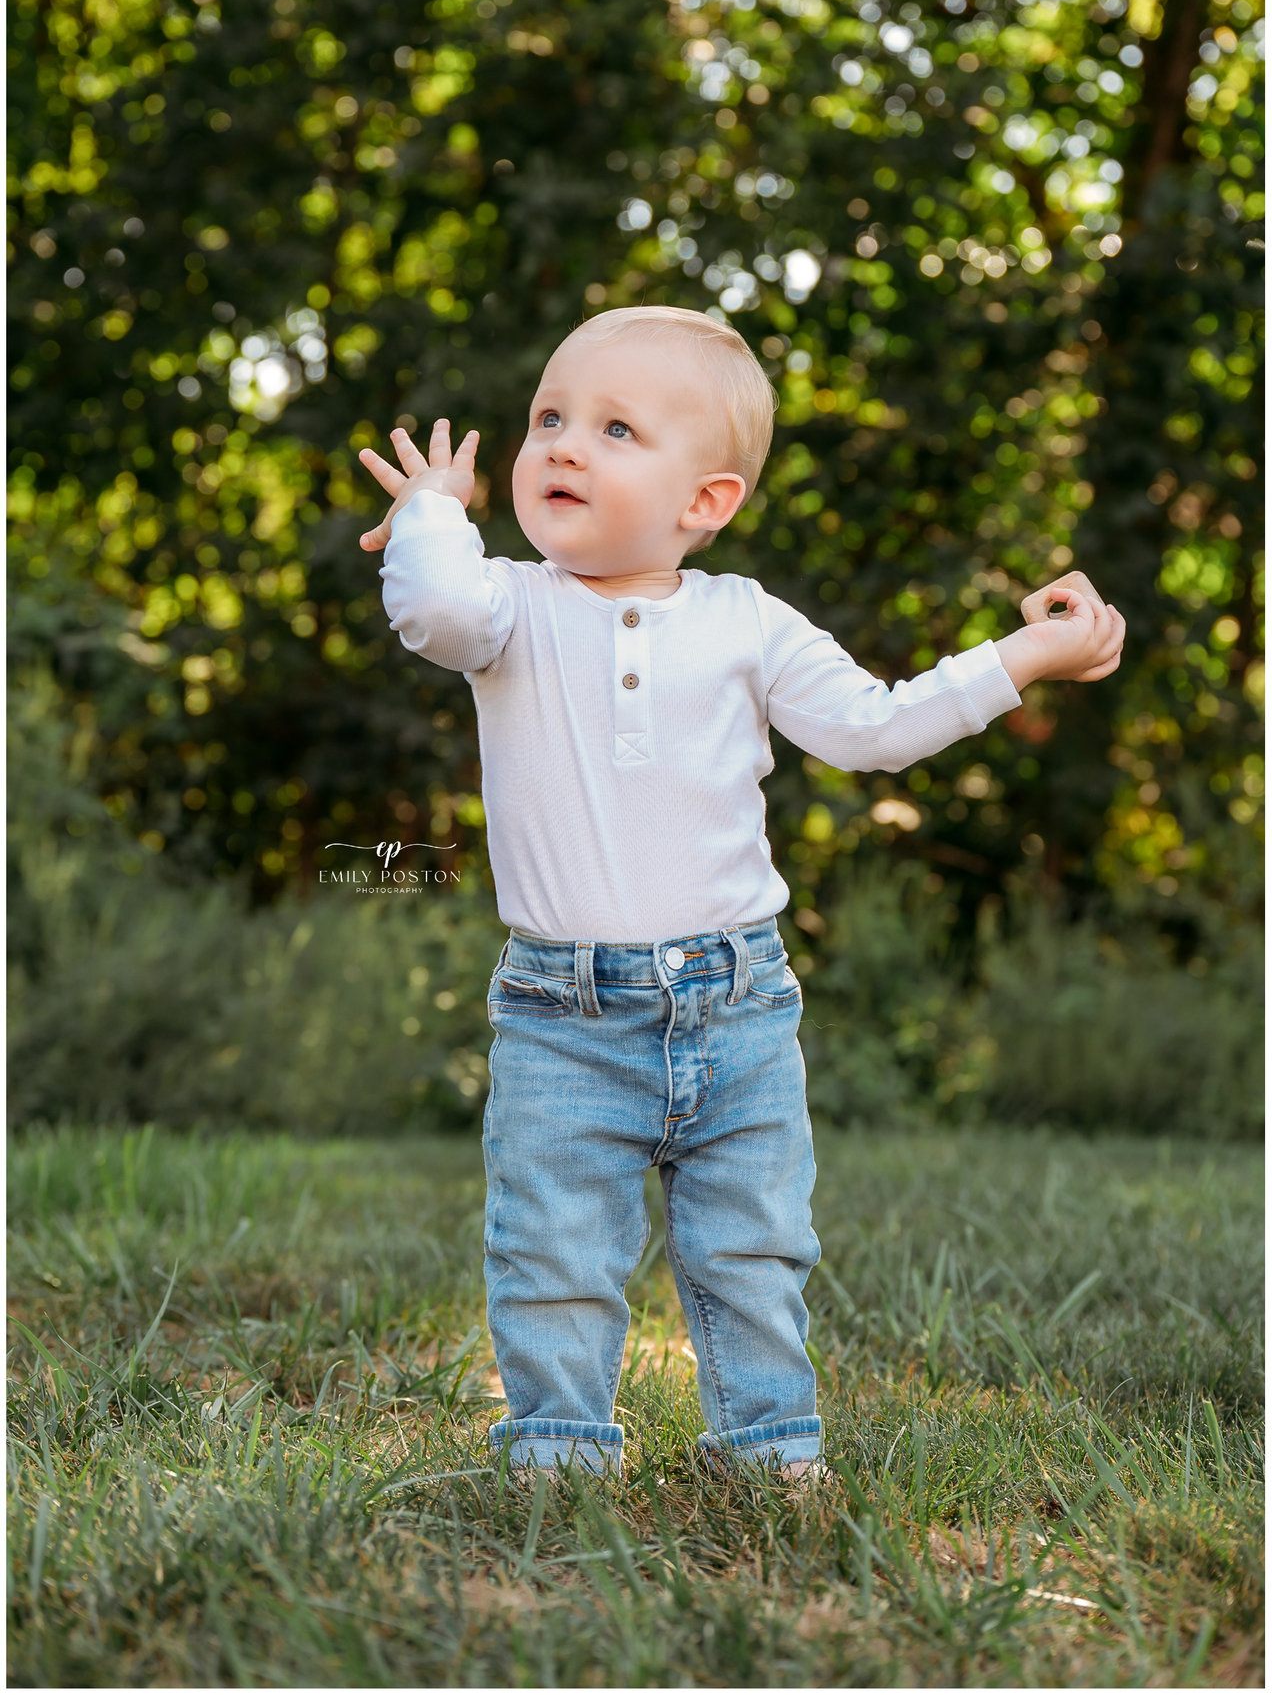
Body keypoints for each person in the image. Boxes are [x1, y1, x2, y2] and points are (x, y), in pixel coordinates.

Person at [357, 305, 1124, 1481]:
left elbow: (874, 728)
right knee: (552, 1248)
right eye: (549, 417)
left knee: (753, 1249)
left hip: (740, 1003)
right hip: (564, 1015)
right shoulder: (510, 607)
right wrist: (430, 514)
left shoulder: (746, 621)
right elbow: (436, 607)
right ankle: (558, 1451)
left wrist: (1020, 656)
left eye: (615, 428)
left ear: (706, 500)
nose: (563, 444)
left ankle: (768, 1449)